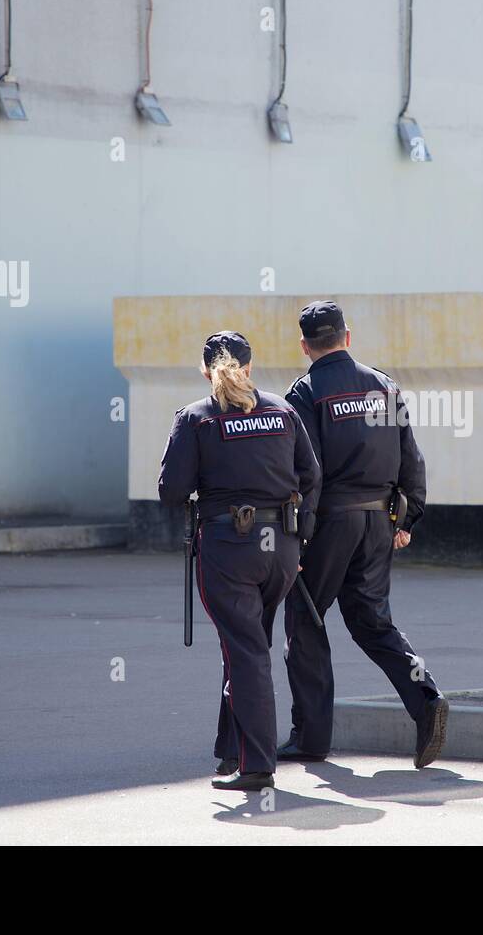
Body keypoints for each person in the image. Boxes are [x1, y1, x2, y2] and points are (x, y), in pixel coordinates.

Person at [279, 300, 449, 769]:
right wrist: (407, 517)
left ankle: (311, 738)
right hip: (379, 520)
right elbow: (411, 457)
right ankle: (427, 698)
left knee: (306, 621)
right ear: (347, 337)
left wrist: (296, 537)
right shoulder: (383, 385)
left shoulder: (305, 393)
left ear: (304, 345)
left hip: (331, 522)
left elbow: (306, 474)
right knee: (374, 622)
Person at [158, 331, 321, 791]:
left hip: (230, 549)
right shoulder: (283, 411)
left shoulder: (196, 418)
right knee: (246, 645)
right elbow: (312, 477)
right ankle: (232, 751)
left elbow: (170, 491)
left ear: (205, 370)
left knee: (246, 652)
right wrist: (302, 536)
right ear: (249, 367)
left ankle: (257, 766)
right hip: (282, 550)